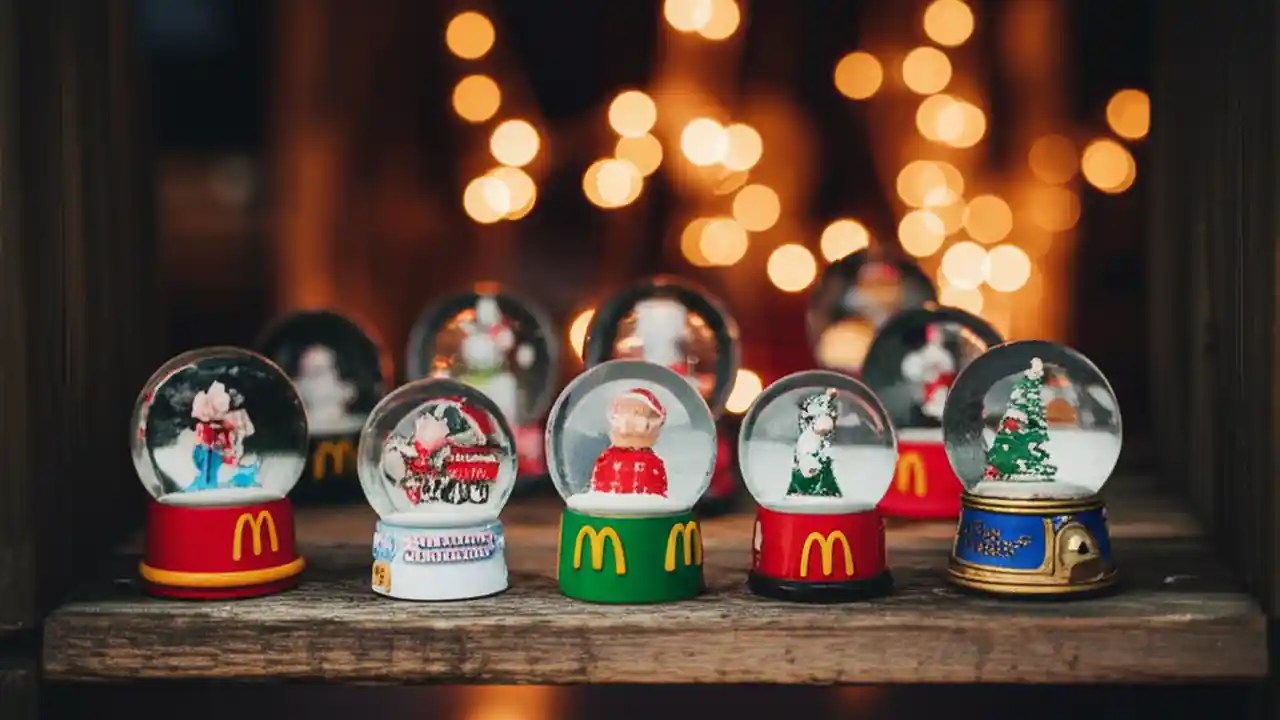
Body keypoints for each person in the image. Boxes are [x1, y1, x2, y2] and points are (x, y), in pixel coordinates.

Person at [589, 388, 668, 496]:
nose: (626, 424)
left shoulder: (652, 462)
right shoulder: (607, 459)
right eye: (620, 415)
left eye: (637, 415)